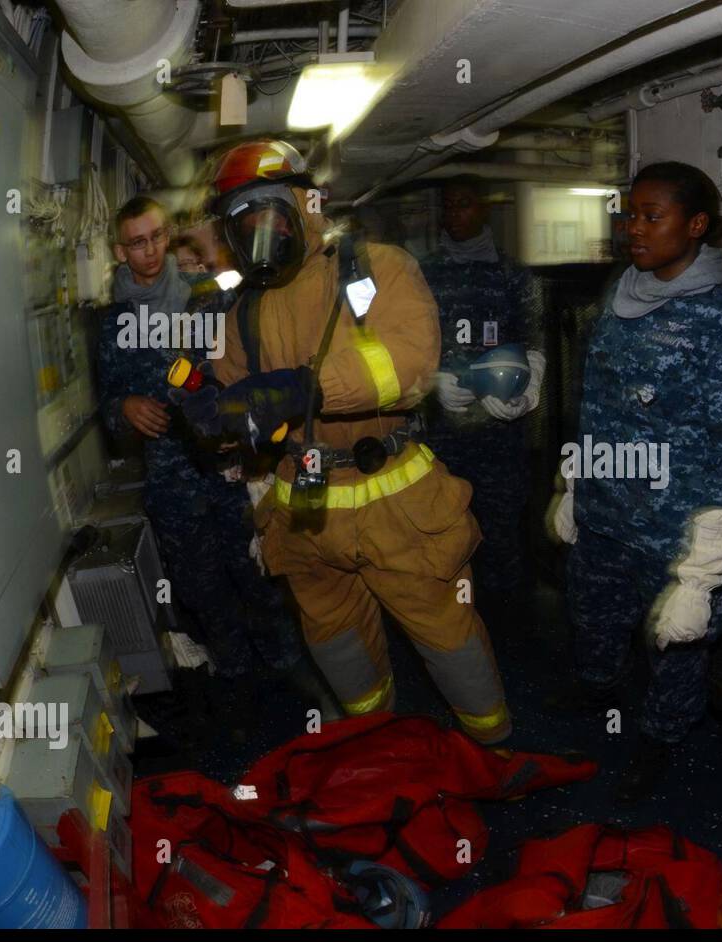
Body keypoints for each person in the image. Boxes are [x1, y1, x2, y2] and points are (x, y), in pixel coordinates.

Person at [179, 139, 511, 743]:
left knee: (448, 638)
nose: (260, 235)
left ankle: (490, 747)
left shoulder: (377, 267)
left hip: (396, 504)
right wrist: (213, 421)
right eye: (243, 222)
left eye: (269, 214)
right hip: (303, 516)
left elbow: (410, 364)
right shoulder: (241, 313)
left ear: (304, 206)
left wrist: (310, 387)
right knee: (337, 646)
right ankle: (371, 746)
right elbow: (239, 403)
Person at [548, 161, 722, 801]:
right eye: (629, 215)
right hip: (604, 514)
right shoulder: (620, 297)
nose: (633, 229)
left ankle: (660, 739)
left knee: (674, 651)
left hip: (674, 534)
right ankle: (597, 691)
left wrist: (703, 573)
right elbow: (598, 402)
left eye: (652, 216)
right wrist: (574, 484)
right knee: (592, 617)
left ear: (697, 225)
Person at [96, 196, 307, 705]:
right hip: (170, 474)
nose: (149, 251)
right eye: (137, 243)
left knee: (253, 562)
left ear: (168, 238)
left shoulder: (209, 296)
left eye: (157, 237)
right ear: (121, 251)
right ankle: (234, 669)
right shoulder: (112, 321)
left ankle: (286, 661)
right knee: (198, 579)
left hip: (226, 457)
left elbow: (248, 362)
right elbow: (104, 404)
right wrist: (123, 406)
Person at [419, 177, 545, 594]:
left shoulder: (513, 276)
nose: (455, 214)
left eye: (464, 205)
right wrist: (430, 383)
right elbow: (407, 344)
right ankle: (453, 625)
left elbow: (535, 341)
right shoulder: (424, 273)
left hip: (499, 438)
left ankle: (507, 632)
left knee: (502, 536)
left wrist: (528, 396)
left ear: (484, 210)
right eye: (449, 206)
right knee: (442, 533)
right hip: (444, 436)